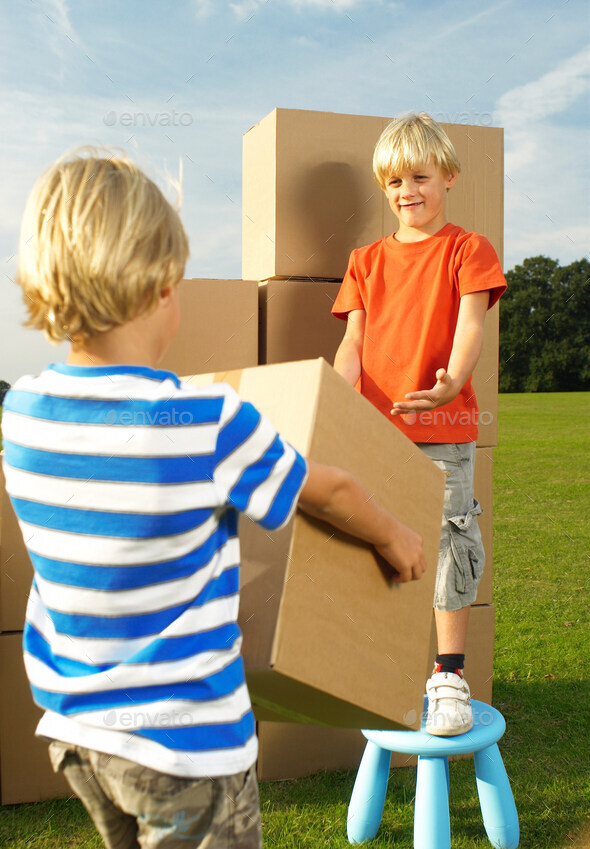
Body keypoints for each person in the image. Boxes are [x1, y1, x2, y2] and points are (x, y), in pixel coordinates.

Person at [1, 150, 426, 849]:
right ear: (159, 288)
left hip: (79, 735)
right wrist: (393, 536)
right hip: (184, 747)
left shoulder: (24, 412)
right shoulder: (204, 423)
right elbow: (331, 491)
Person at [332, 113, 507, 737]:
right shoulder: (364, 260)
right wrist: (338, 395)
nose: (406, 191)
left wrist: (453, 382)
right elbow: (353, 342)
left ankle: (450, 676)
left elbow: (471, 325)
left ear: (449, 176)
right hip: (375, 434)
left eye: (420, 177)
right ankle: (380, 667)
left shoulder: (468, 249)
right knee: (375, 545)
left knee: (450, 542)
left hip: (442, 429)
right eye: (394, 181)